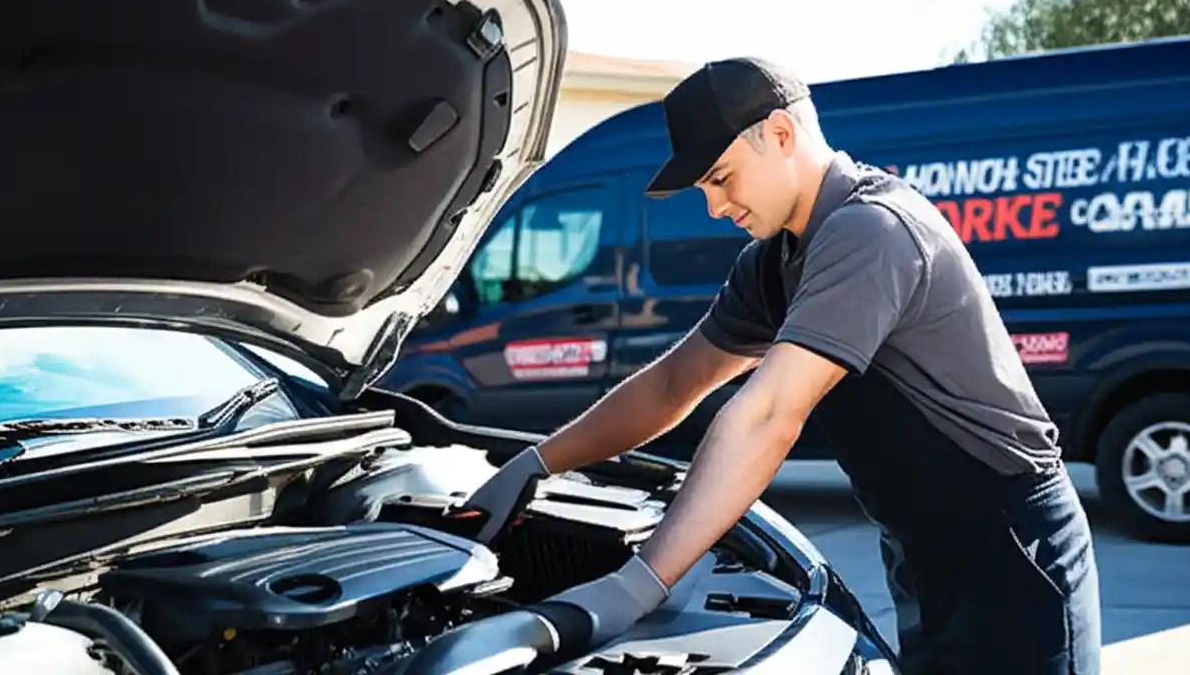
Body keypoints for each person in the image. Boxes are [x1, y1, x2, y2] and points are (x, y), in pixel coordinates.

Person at [461, 57, 1101, 674]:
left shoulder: (871, 231)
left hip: (1011, 551)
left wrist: (639, 584)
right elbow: (674, 381)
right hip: (922, 553)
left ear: (780, 133)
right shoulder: (776, 262)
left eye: (720, 177)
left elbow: (769, 413)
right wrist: (538, 461)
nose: (715, 207)